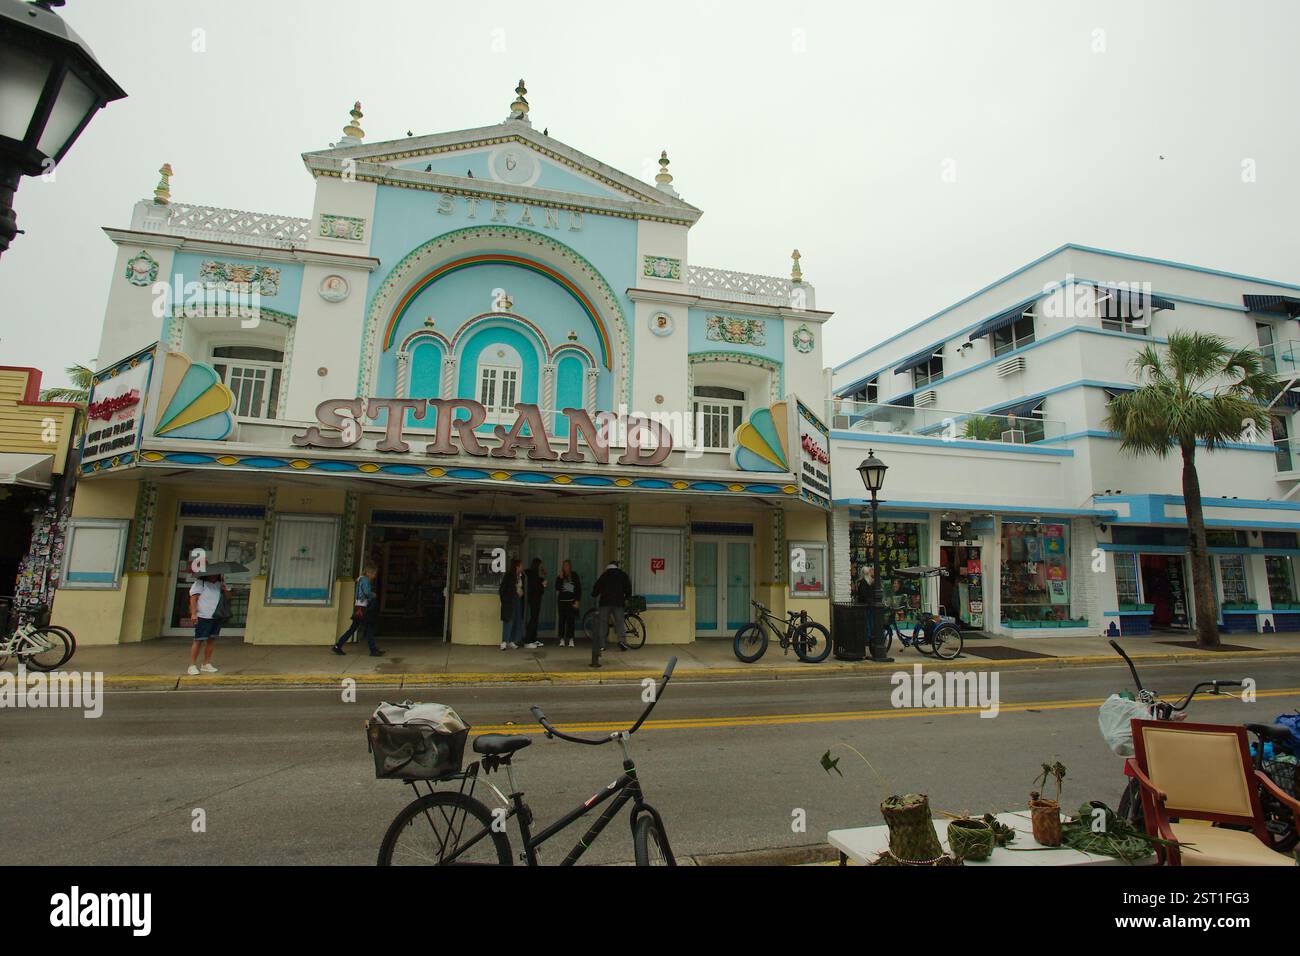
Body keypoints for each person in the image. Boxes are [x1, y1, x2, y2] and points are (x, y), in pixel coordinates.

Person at [333, 563, 383, 656]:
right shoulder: (365, 580)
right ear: (369, 572)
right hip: (363, 608)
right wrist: (373, 594)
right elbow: (367, 593)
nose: (375, 576)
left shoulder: (360, 579)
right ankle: (373, 650)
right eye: (374, 573)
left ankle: (338, 646)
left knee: (353, 628)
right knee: (369, 627)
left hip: (358, 607)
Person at [590, 559, 633, 667]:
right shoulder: (622, 575)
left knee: (603, 623)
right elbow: (628, 587)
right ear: (617, 566)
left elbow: (596, 588)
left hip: (605, 602)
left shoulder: (604, 575)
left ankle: (602, 644)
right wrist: (627, 597)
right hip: (618, 602)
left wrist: (594, 594)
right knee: (619, 622)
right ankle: (622, 640)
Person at [187, 573, 230, 675]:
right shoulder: (200, 583)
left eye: (216, 575)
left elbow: (228, 597)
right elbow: (193, 598)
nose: (214, 576)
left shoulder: (220, 584)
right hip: (203, 616)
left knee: (211, 640)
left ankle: (206, 663)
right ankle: (192, 665)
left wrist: (225, 589)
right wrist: (193, 613)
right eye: (212, 574)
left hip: (216, 616)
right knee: (198, 640)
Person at [498, 558, 525, 650]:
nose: (522, 567)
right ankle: (504, 641)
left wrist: (521, 592)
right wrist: (505, 601)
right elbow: (503, 589)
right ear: (517, 566)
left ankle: (512, 641)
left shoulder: (521, 576)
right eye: (521, 565)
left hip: (518, 600)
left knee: (517, 620)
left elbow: (521, 588)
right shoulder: (509, 575)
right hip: (509, 601)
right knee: (509, 621)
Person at [555, 559, 581, 648]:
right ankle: (561, 639)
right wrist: (560, 578)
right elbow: (557, 587)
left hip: (571, 602)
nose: (565, 567)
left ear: (570, 566)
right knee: (561, 621)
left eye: (567, 565)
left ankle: (571, 639)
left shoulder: (574, 575)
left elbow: (577, 588)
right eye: (564, 565)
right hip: (562, 602)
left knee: (571, 621)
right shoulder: (561, 575)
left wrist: (577, 600)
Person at [523, 557, 547, 649]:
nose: (542, 566)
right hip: (533, 599)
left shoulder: (536, 574)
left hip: (536, 598)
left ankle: (533, 639)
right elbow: (536, 587)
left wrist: (543, 577)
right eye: (540, 565)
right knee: (533, 619)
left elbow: (539, 583)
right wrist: (542, 585)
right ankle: (528, 640)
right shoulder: (532, 574)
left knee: (535, 619)